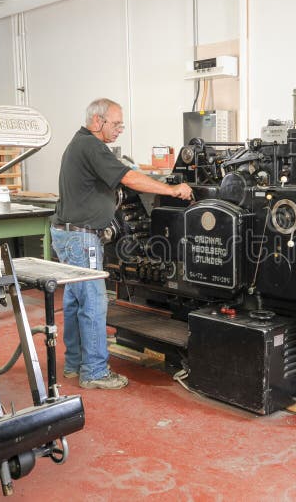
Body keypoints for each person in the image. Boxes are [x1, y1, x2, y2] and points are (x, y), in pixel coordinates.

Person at [51, 98, 193, 389]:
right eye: (115, 124)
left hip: (68, 234)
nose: (119, 129)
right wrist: (172, 189)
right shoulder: (91, 146)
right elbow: (128, 178)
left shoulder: (79, 143)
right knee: (94, 303)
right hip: (81, 237)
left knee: (75, 301)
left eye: (121, 125)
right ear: (97, 121)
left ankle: (74, 363)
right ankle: (94, 372)